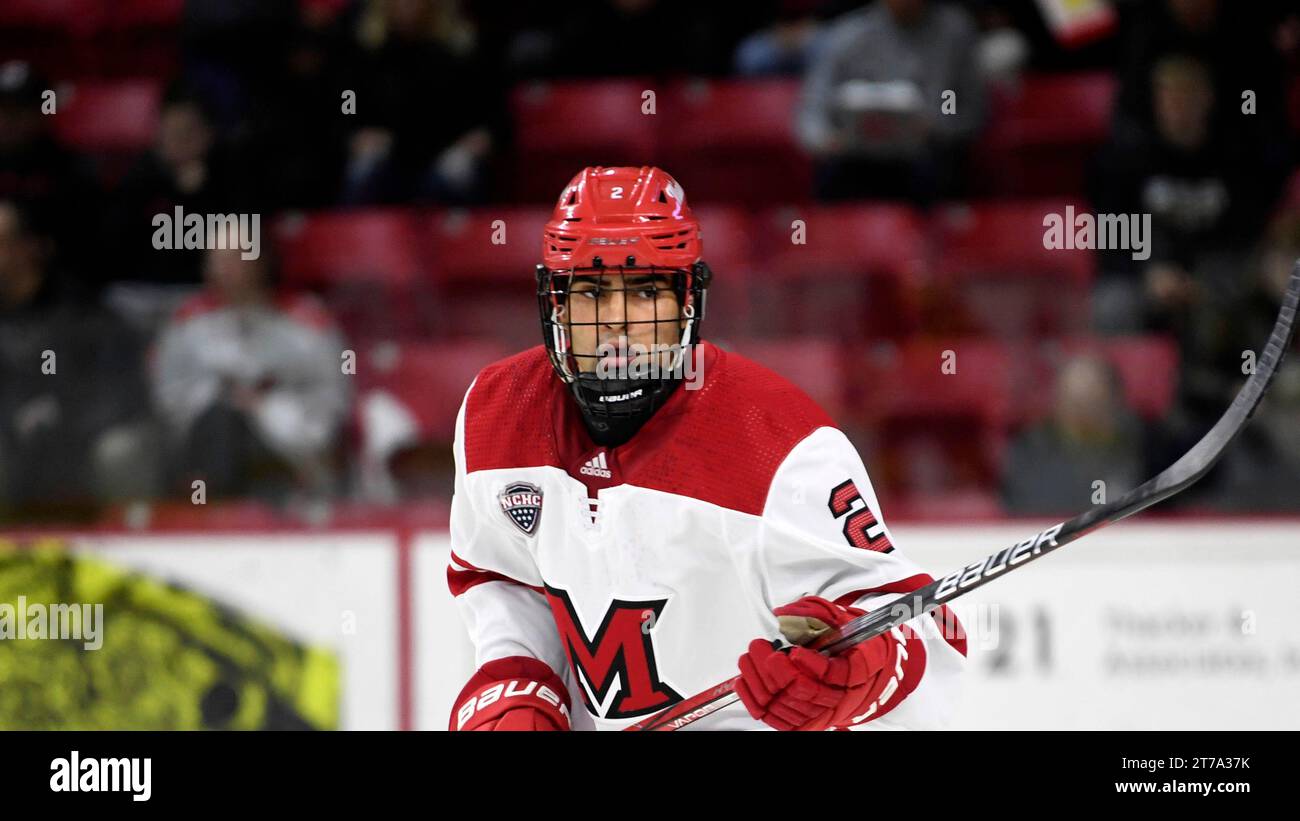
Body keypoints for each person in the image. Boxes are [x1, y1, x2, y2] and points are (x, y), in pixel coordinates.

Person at [446, 166, 965, 731]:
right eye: (593, 291)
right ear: (558, 306)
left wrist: (858, 672)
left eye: (645, 291)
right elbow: (501, 577)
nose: (619, 325)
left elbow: (926, 632)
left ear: (688, 301)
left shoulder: (780, 447)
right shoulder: (495, 415)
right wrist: (518, 685)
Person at [151, 243, 350, 504]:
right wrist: (223, 396)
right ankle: (209, 512)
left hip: (289, 443)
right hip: (208, 444)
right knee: (222, 425)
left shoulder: (309, 321)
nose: (222, 267)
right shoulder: (187, 320)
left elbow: (333, 398)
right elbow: (168, 396)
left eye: (234, 256)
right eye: (216, 257)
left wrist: (267, 406)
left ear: (261, 260)